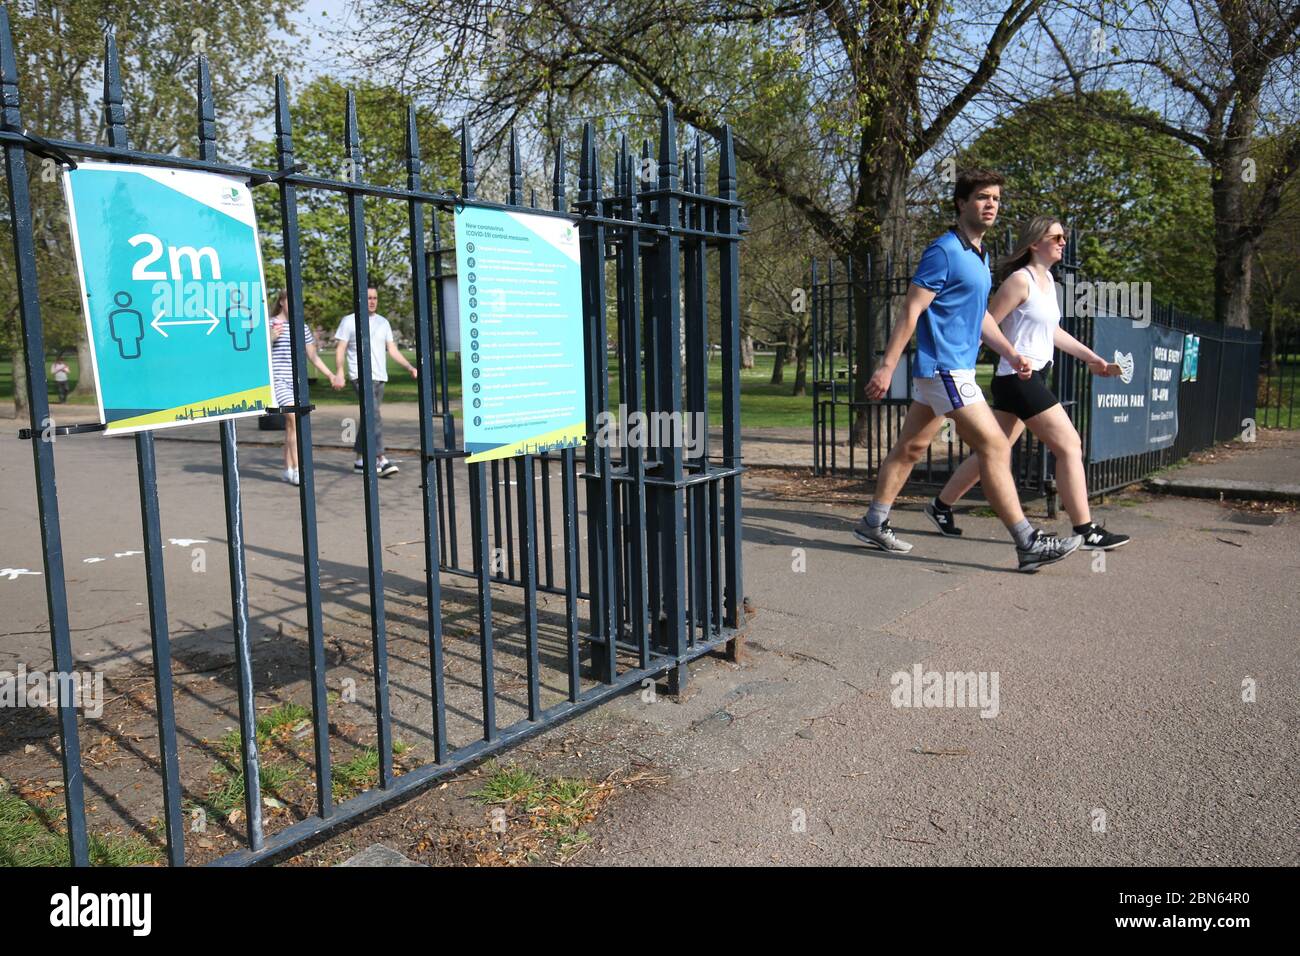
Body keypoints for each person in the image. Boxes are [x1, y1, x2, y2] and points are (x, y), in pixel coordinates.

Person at [853, 169, 1082, 572]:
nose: (991, 204)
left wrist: (1010, 352)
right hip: (945, 368)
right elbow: (912, 308)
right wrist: (888, 365)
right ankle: (1028, 541)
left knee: (911, 448)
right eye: (981, 197)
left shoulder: (979, 256)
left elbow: (979, 318)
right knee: (995, 446)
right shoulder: (944, 251)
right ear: (961, 204)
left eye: (995, 198)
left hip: (952, 370)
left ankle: (873, 521)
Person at [922, 216, 1130, 550]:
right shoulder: (1020, 281)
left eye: (1064, 237)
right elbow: (985, 320)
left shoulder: (1047, 282)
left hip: (1029, 375)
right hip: (1019, 378)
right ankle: (1085, 529)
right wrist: (973, 360)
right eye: (1056, 237)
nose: (1063, 242)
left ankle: (940, 506)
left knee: (994, 451)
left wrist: (1092, 358)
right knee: (1070, 445)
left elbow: (1052, 332)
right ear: (1035, 243)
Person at [333, 286, 417, 477]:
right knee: (374, 415)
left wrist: (409, 367)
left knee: (369, 417)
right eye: (368, 297)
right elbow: (340, 349)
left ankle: (359, 460)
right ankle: (381, 458)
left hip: (380, 377)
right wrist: (339, 372)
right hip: (360, 376)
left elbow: (392, 350)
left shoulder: (383, 323)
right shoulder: (349, 321)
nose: (372, 301)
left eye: (375, 298)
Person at [269, 290, 341, 486]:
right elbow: (258, 352)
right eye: (290, 300)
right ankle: (297, 470)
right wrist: (271, 337)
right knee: (294, 419)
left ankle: (287, 469)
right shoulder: (270, 324)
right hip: (278, 380)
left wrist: (330, 375)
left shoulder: (302, 327)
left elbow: (313, 356)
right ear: (282, 302)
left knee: (292, 426)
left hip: (297, 382)